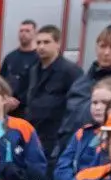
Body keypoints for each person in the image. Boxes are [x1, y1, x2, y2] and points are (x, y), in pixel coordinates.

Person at [57, 24, 111, 145]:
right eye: (102, 46)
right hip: (73, 151)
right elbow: (67, 122)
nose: (106, 52)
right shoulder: (81, 83)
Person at [53, 79, 111, 180]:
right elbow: (62, 167)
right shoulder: (82, 134)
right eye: (94, 102)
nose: (98, 107)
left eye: (105, 103)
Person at [18, 24, 80, 156]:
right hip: (34, 134)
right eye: (38, 42)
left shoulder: (70, 72)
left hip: (55, 138)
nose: (41, 47)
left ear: (58, 44)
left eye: (46, 42)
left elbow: (76, 109)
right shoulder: (34, 70)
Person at [0, 19, 40, 107]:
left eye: (27, 31)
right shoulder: (10, 57)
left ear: (35, 33)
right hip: (8, 107)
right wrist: (6, 98)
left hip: (28, 107)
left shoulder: (39, 58)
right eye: (21, 31)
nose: (23, 33)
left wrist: (19, 101)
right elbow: (0, 81)